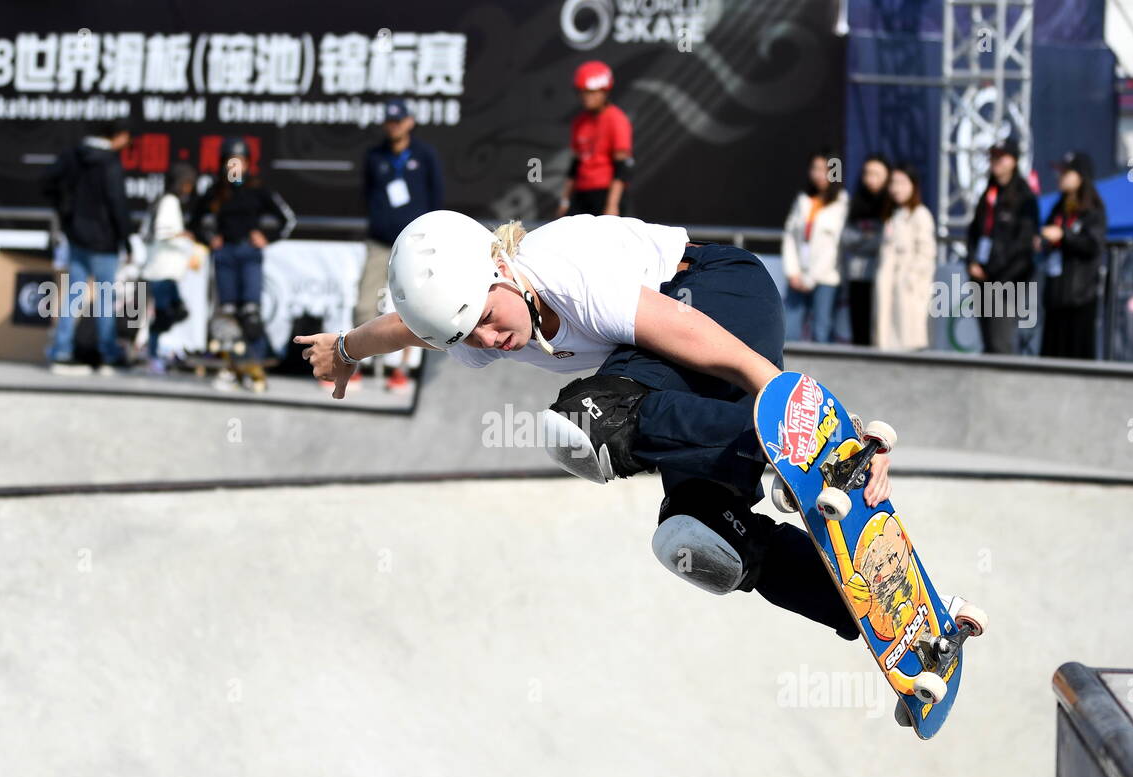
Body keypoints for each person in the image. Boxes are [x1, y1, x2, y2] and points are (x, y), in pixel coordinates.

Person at [290, 211, 985, 647]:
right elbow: (406, 325)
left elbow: (683, 329)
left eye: (488, 316)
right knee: (702, 538)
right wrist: (345, 349)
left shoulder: (564, 267)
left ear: (500, 267)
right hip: (664, 370)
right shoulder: (463, 324)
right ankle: (901, 618)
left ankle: (786, 459)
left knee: (587, 421)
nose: (490, 338)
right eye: (467, 333)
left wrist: (794, 416)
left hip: (718, 293)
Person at [355, 98, 442, 393]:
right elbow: (368, 193)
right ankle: (355, 364)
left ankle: (403, 369)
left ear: (409, 122)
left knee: (416, 306)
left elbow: (435, 196)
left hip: (413, 242)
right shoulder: (375, 156)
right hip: (379, 241)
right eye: (389, 122)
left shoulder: (424, 155)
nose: (394, 126)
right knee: (365, 304)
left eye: (398, 121)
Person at [193, 137, 295, 372]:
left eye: (239, 162)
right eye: (231, 162)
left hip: (249, 253)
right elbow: (195, 222)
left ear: (248, 164)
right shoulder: (215, 191)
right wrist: (210, 239)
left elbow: (286, 219)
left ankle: (255, 360)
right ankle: (229, 361)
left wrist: (266, 237)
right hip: (225, 254)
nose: (235, 167)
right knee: (227, 313)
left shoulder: (257, 189)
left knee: (251, 312)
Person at [42, 120, 134, 373]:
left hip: (78, 238)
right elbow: (117, 203)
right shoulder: (109, 162)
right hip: (104, 241)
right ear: (118, 135)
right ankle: (108, 354)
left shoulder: (73, 156)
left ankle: (61, 351)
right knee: (104, 297)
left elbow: (47, 183)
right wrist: (126, 238)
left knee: (73, 295)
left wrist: (67, 217)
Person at [966, 137, 1039, 354]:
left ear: (1014, 161)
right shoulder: (988, 194)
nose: (996, 161)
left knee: (1001, 343)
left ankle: (1002, 387)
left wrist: (996, 272)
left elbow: (1023, 244)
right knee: (988, 342)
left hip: (1008, 282)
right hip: (982, 278)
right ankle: (985, 387)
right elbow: (974, 232)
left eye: (1001, 156)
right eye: (993, 156)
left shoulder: (1024, 197)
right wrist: (972, 261)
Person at [1038, 152, 1106, 360]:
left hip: (1080, 297)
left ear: (1081, 177)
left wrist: (1063, 235)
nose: (1061, 177)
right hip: (1056, 294)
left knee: (1077, 356)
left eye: (1067, 173)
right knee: (1051, 355)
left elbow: (1092, 245)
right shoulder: (1059, 207)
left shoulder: (1093, 209)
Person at [781, 148, 849, 343]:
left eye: (825, 169)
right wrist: (793, 272)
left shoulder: (842, 202)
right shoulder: (803, 199)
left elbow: (833, 248)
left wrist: (811, 278)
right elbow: (791, 237)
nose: (819, 174)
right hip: (798, 276)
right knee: (790, 331)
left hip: (825, 278)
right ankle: (791, 373)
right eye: (815, 168)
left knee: (822, 331)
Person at [139, 161, 199, 372]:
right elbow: (162, 232)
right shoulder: (169, 201)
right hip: (162, 270)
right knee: (167, 314)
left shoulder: (162, 201)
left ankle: (154, 349)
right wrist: (185, 237)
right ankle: (151, 351)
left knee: (175, 312)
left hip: (165, 271)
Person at [558, 61, 634, 218]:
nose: (586, 97)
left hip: (605, 193)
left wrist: (612, 205)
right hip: (581, 194)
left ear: (604, 92)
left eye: (591, 92)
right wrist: (564, 202)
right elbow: (574, 166)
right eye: (582, 92)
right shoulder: (579, 122)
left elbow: (622, 167)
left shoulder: (616, 119)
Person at [873, 165, 936, 351]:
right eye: (893, 183)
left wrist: (911, 279)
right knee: (887, 337)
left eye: (901, 183)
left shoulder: (920, 214)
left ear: (913, 186)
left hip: (907, 287)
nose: (896, 188)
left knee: (907, 337)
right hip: (889, 285)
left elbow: (927, 252)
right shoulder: (892, 215)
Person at [839, 154, 889, 346]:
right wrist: (866, 239)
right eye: (867, 173)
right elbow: (847, 238)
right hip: (856, 274)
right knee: (858, 328)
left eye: (876, 174)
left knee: (877, 328)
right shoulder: (856, 202)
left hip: (879, 275)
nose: (871, 178)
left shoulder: (889, 206)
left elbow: (883, 241)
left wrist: (863, 240)